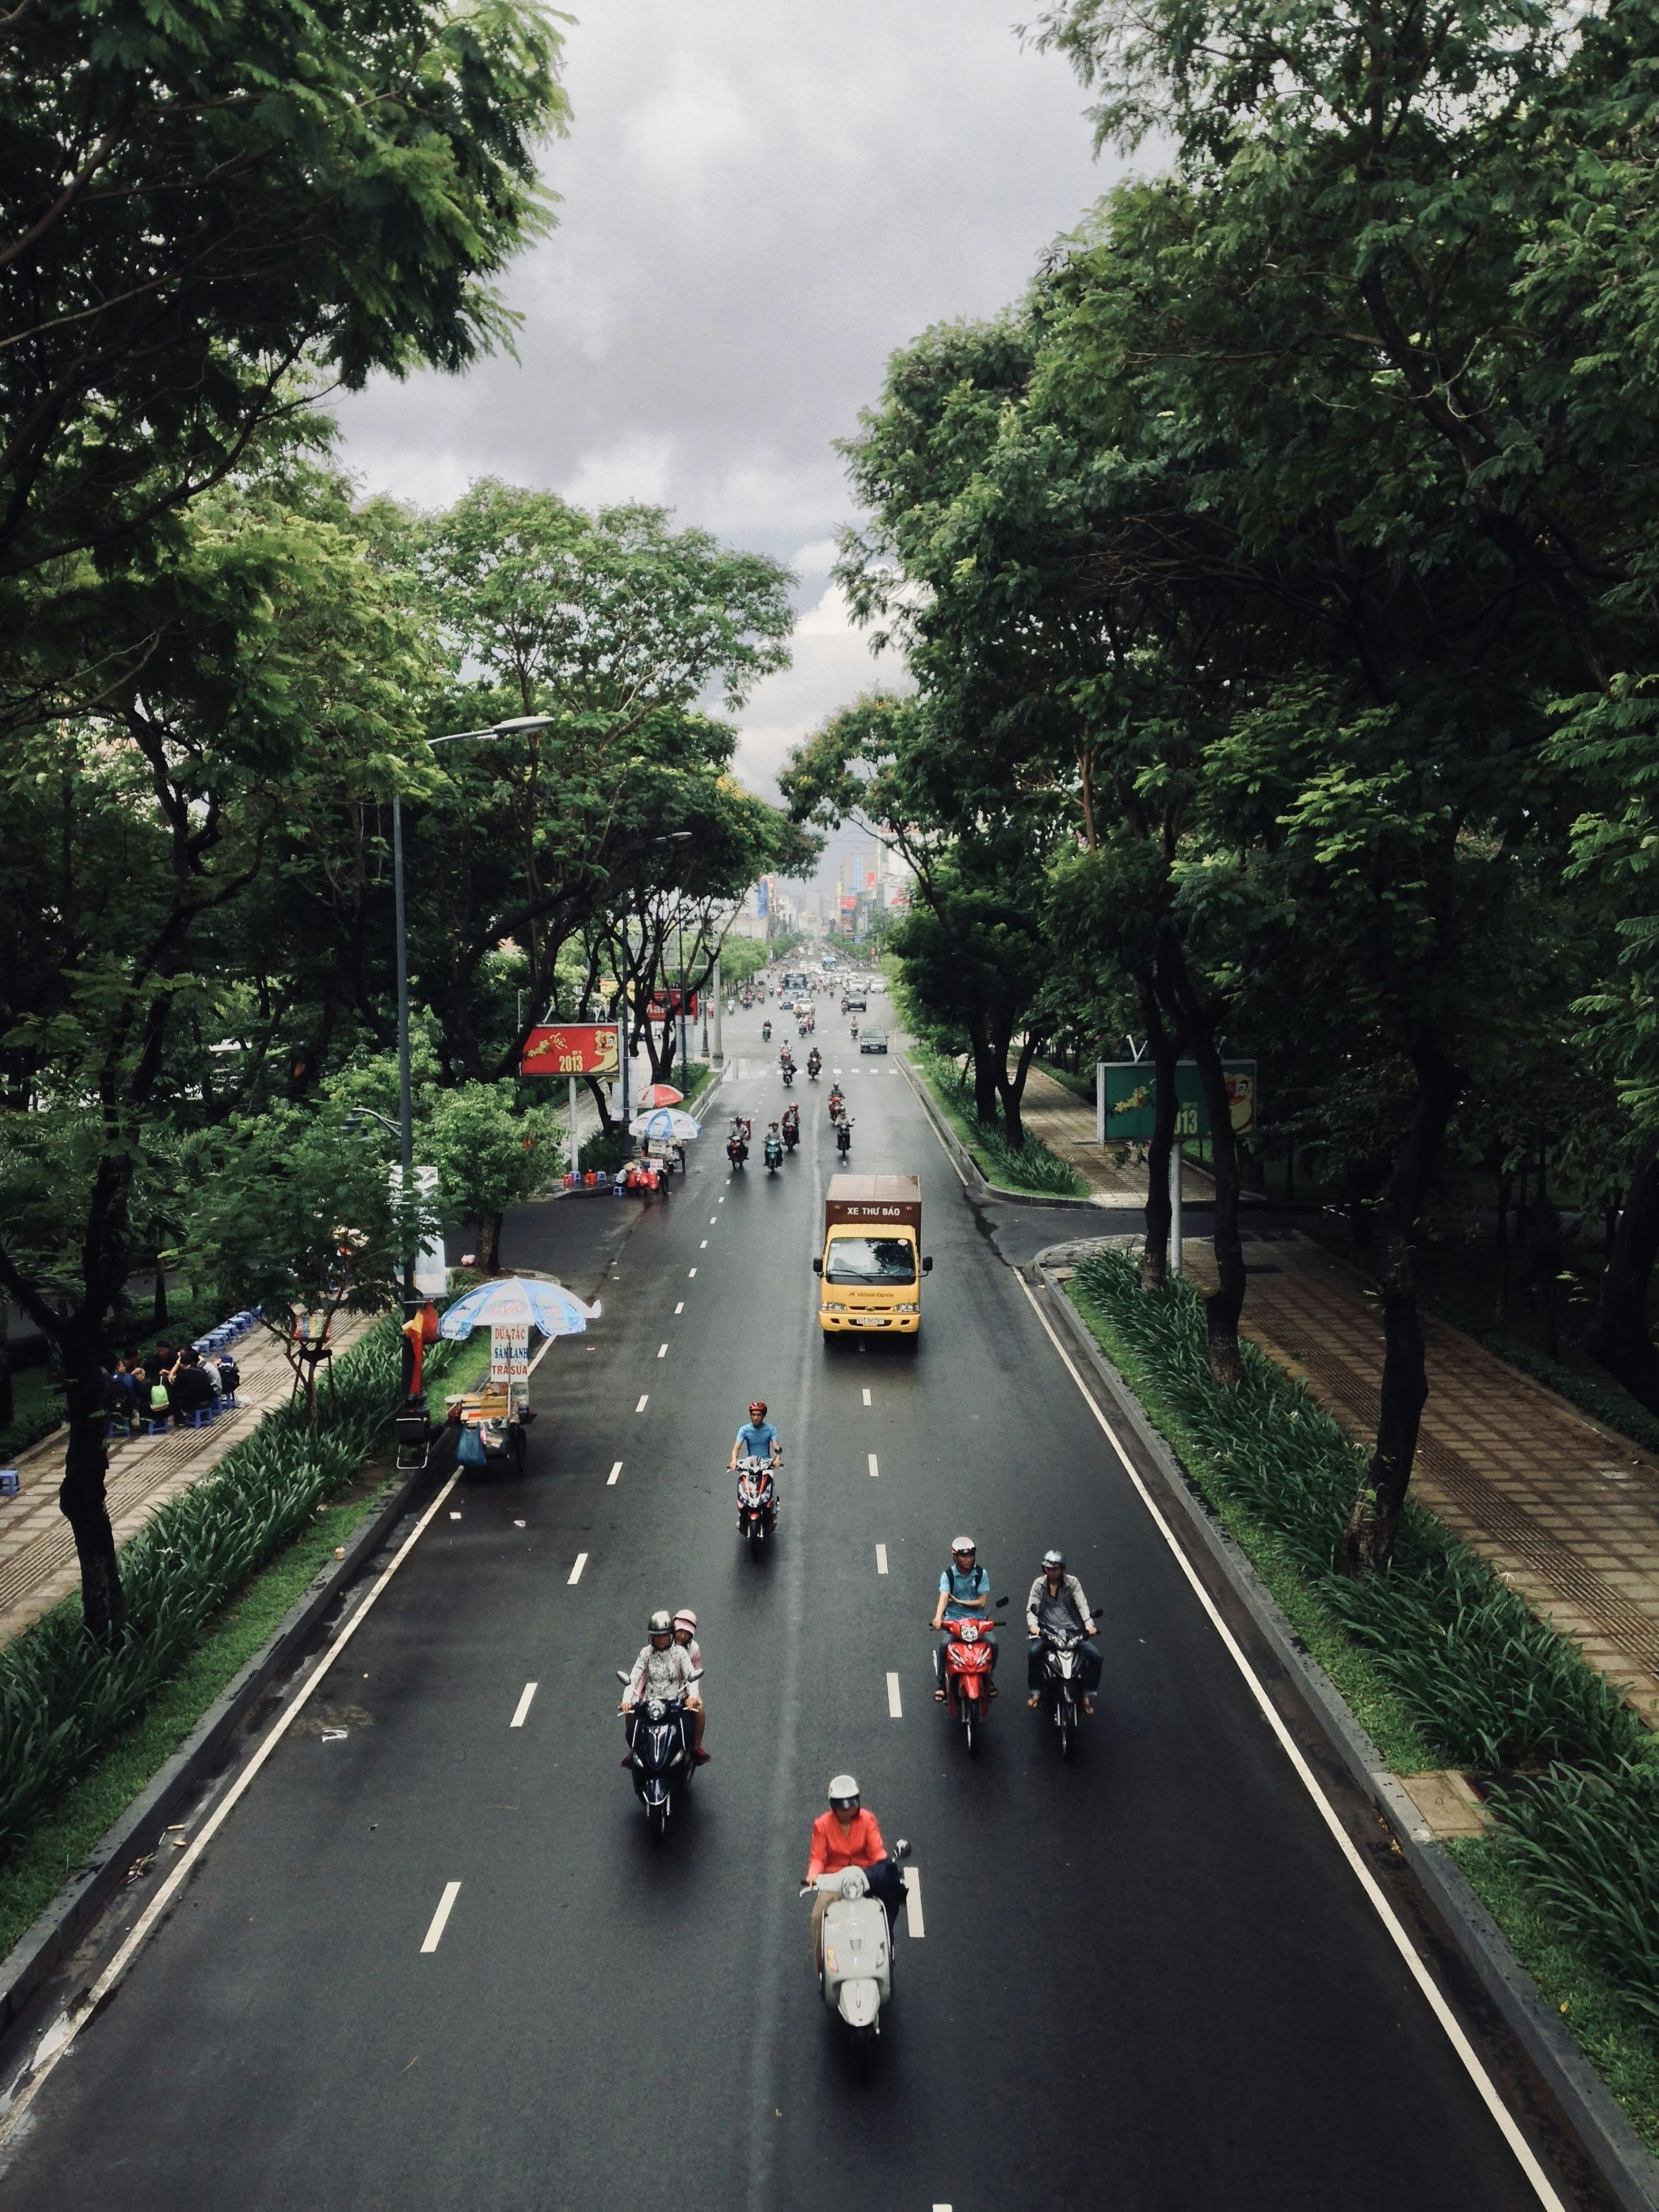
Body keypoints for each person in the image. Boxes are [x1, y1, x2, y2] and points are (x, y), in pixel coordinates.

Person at [803, 1774, 905, 1967]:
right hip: (835, 1880)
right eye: (842, 1805)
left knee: (885, 1910)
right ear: (833, 1805)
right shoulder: (822, 1825)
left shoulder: (868, 1820)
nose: (847, 1809)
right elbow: (818, 1857)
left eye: (852, 1803)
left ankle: (886, 1953)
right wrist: (813, 1875)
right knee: (818, 1917)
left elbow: (877, 1851)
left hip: (864, 1878)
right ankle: (822, 1968)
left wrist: (883, 1866)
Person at [619, 1610, 704, 1763]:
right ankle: (637, 1754)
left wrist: (692, 1697)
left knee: (686, 1733)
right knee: (632, 1733)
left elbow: (691, 1676)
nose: (660, 1640)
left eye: (663, 1635)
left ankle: (690, 1757)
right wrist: (626, 1700)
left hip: (674, 1703)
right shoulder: (646, 1653)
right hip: (650, 1704)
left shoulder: (680, 1653)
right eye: (656, 1635)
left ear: (670, 1634)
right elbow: (634, 1677)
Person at [1025, 1549, 1103, 1715]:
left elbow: (1082, 1605)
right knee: (1034, 1653)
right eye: (1047, 1568)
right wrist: (1034, 1626)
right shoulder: (1039, 1584)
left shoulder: (1072, 1583)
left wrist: (1090, 1626)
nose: (1050, 1572)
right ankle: (1036, 1691)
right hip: (1047, 1631)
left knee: (1096, 1657)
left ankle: (1087, 1694)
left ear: (1062, 1569)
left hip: (1072, 1632)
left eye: (1054, 1569)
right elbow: (1032, 1607)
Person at [930, 1535, 998, 1699]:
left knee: (993, 1645)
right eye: (963, 1556)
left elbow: (981, 1602)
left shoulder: (981, 1574)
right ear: (955, 1557)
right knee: (945, 1645)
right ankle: (941, 1684)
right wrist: (938, 1617)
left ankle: (989, 1678)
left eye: (970, 1555)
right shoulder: (948, 1576)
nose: (968, 1559)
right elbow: (944, 1597)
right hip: (954, 1620)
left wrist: (959, 1601)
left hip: (978, 1620)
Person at [672, 1609, 710, 1758]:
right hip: (659, 1689)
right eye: (679, 1630)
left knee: (699, 1710)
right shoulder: (662, 1643)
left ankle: (696, 1747)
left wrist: (692, 1696)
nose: (682, 1635)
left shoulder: (694, 1649)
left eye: (686, 1632)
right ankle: (635, 1748)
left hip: (684, 1689)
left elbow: (695, 1673)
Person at [729, 1397, 782, 1471]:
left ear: (763, 1416)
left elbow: (776, 1447)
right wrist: (734, 1461)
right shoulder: (744, 1430)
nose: (756, 1418)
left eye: (759, 1415)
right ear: (750, 1415)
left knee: (769, 1476)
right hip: (749, 1464)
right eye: (753, 1415)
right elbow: (736, 1448)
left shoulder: (771, 1429)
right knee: (743, 1478)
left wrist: (777, 1459)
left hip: (766, 1463)